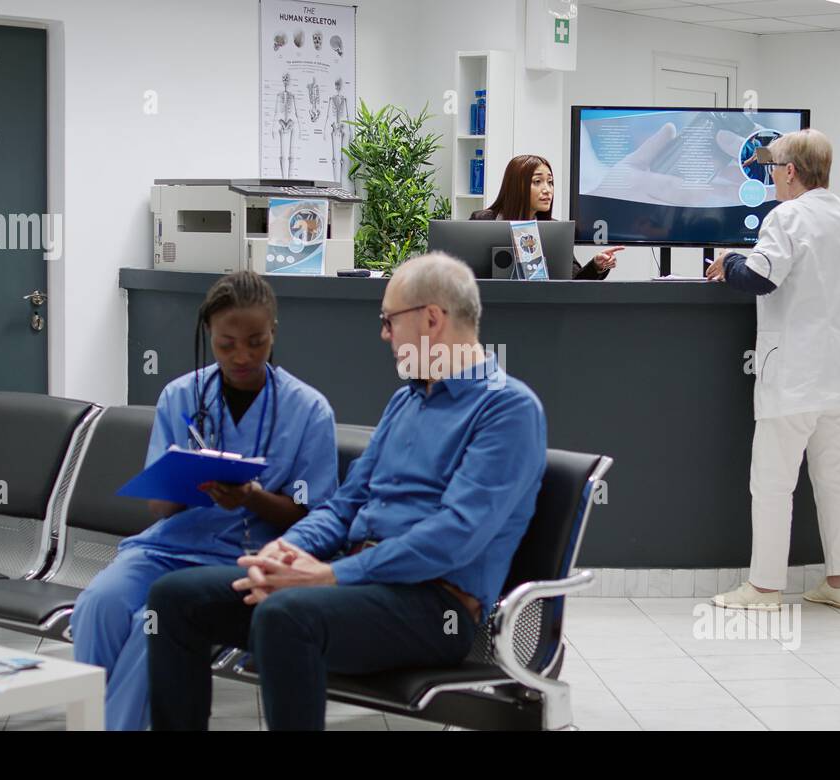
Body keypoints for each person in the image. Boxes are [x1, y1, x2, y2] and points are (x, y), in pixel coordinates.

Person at [146, 252, 548, 731]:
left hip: (433, 605)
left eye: (388, 321)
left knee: (285, 616)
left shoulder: (508, 410)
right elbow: (343, 505)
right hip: (358, 585)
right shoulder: (406, 400)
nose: (384, 335)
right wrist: (287, 549)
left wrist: (331, 578)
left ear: (432, 319)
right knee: (174, 598)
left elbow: (454, 536)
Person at [71, 272, 338, 730]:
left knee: (147, 628)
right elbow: (160, 509)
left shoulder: (309, 410)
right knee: (98, 604)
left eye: (256, 341)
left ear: (274, 330)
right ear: (208, 337)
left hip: (244, 560)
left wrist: (252, 498)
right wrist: (186, 482)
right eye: (226, 343)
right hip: (169, 546)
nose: (242, 356)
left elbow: (314, 513)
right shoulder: (180, 396)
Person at [705, 129, 840, 611]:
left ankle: (763, 588)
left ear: (789, 171)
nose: (771, 177)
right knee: (835, 478)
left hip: (796, 375)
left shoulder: (786, 215)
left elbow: (760, 278)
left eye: (772, 169)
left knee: (772, 483)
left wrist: (730, 259)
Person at [472, 154, 624, 280]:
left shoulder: (555, 230)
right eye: (537, 182)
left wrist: (597, 265)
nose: (547, 190)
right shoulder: (482, 220)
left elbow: (573, 281)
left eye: (550, 182)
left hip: (541, 310)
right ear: (516, 186)